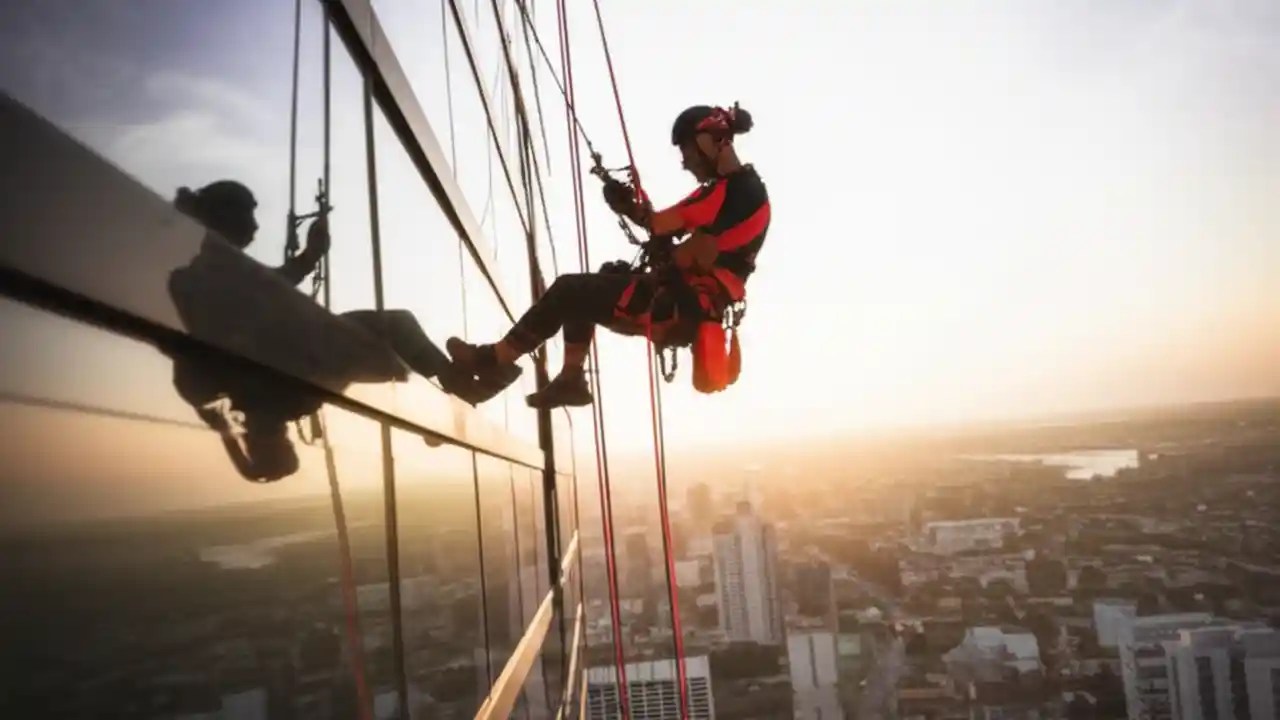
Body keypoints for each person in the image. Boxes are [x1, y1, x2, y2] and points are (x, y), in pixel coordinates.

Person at [446, 103, 771, 409]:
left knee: (569, 290)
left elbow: (664, 227)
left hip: (680, 304)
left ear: (710, 141)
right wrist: (635, 212)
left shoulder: (735, 191)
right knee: (598, 281)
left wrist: (629, 208)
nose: (685, 162)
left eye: (687, 150)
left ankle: (493, 360)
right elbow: (670, 230)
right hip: (685, 302)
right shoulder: (733, 190)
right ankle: (571, 377)